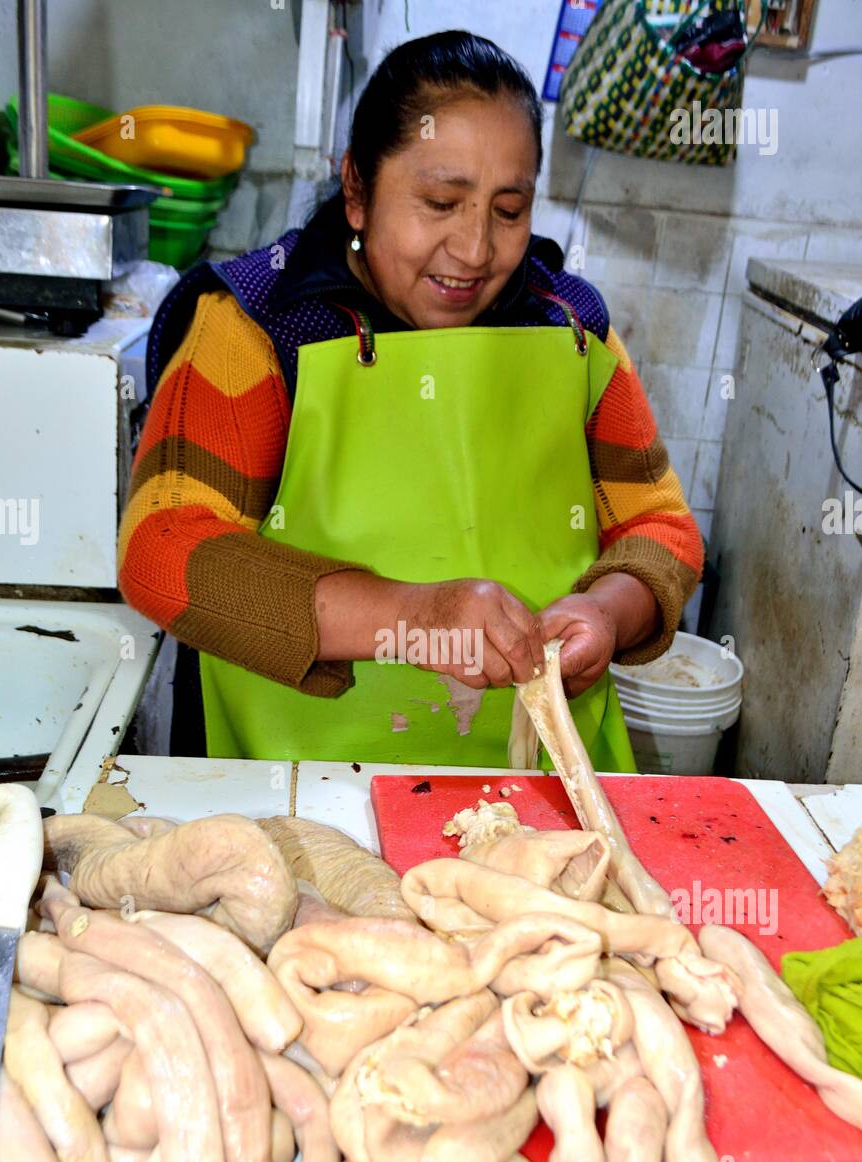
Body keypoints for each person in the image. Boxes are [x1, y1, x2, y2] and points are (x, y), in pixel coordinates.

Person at [118, 30, 703, 769]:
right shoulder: (260, 327)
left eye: (509, 210)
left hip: (543, 797)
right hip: (298, 794)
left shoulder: (571, 329)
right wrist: (413, 617)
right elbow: (161, 549)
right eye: (440, 202)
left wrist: (609, 612)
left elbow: (660, 527)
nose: (474, 251)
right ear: (357, 190)